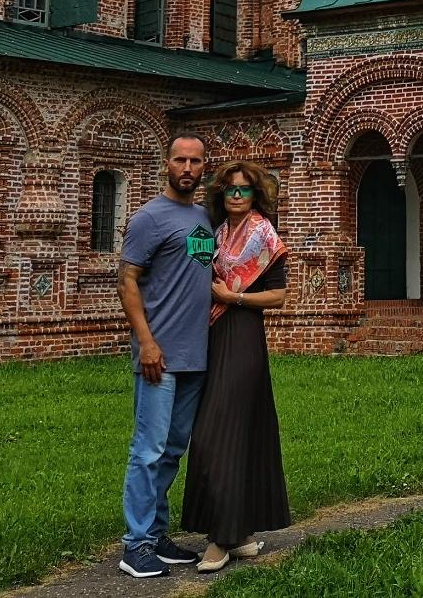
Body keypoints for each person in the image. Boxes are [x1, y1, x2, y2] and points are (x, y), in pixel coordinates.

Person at [181, 159, 292, 574]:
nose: (236, 196)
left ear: (255, 194)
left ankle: (220, 539)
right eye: (229, 190)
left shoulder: (265, 235)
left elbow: (280, 295)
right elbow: (192, 269)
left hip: (243, 334)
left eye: (244, 189)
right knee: (228, 433)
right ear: (220, 195)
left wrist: (236, 299)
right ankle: (241, 534)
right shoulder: (213, 233)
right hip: (210, 335)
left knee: (215, 434)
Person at [117, 134, 218, 580]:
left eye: (195, 161)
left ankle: (156, 534)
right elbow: (127, 280)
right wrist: (147, 342)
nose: (188, 168)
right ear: (166, 164)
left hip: (196, 355)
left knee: (173, 449)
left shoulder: (203, 217)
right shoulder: (149, 218)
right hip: (160, 355)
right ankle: (135, 545)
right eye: (180, 159)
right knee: (148, 449)